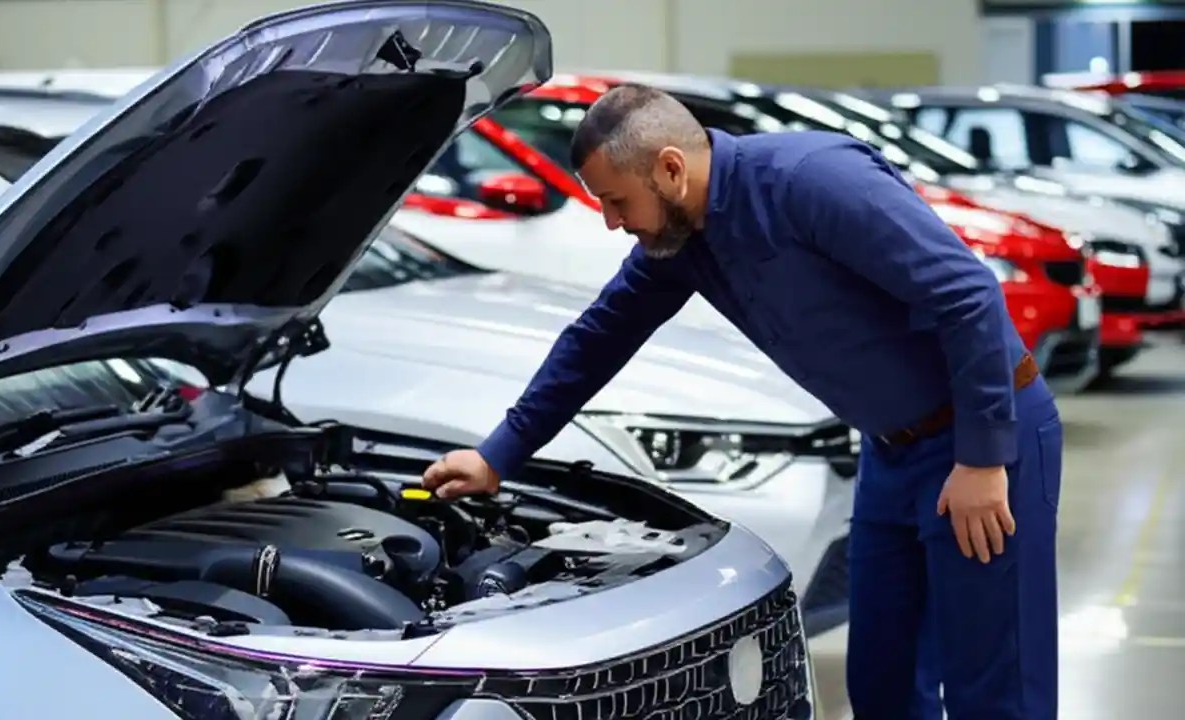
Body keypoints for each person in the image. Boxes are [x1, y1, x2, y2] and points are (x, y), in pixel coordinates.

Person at [421, 84, 1062, 719]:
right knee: (883, 683)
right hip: (891, 454)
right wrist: (498, 455)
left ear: (670, 169)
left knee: (995, 690)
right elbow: (598, 337)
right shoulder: (681, 242)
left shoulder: (813, 182)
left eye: (616, 201)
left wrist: (982, 460)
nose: (613, 222)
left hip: (984, 437)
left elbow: (968, 294)